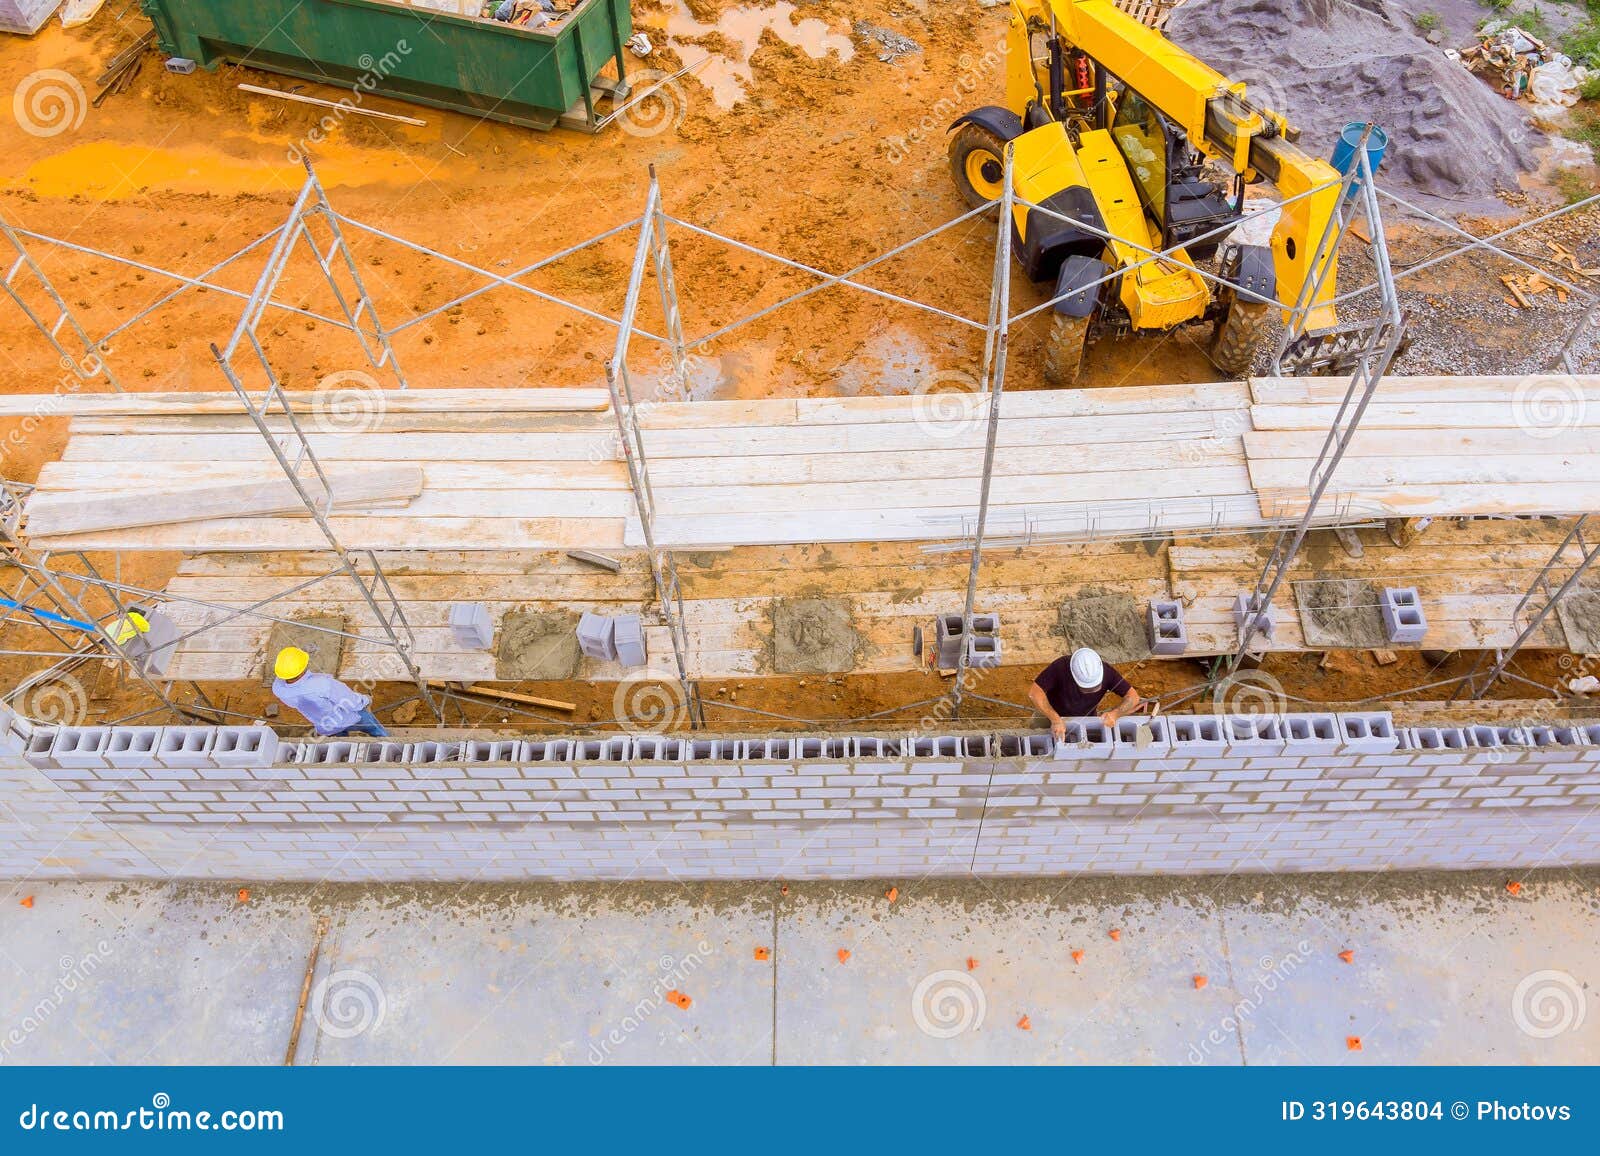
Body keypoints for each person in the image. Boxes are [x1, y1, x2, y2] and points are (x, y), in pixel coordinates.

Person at [1028, 646, 1142, 743]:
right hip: (1050, 713)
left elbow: (1133, 697)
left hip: (1086, 716)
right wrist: (1055, 719)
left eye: (1094, 687)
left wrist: (1115, 714)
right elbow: (1035, 693)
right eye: (1086, 688)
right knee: (1034, 734)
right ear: (1074, 676)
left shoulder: (1106, 672)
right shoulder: (1060, 666)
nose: (1090, 691)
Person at [270, 646, 387, 737]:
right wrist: (365, 700)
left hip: (326, 726)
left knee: (341, 741)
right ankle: (384, 738)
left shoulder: (278, 688)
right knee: (372, 726)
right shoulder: (323, 684)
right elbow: (351, 702)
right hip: (349, 718)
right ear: (301, 670)